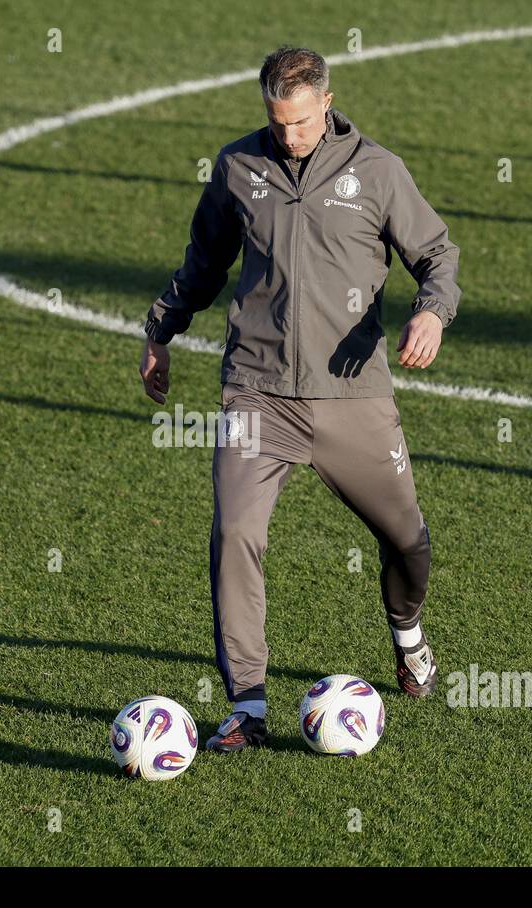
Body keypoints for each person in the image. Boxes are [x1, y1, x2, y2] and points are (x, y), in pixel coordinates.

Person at [140, 46, 461, 752]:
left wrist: (433, 310)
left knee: (407, 541)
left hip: (353, 396)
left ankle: (408, 637)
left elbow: (436, 254)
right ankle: (247, 707)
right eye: (279, 123)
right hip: (258, 393)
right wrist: (161, 328)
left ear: (328, 101)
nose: (291, 137)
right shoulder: (237, 169)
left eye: (304, 122)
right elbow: (203, 261)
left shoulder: (378, 171)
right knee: (235, 535)